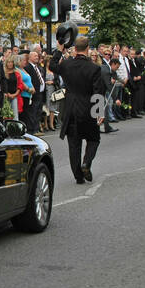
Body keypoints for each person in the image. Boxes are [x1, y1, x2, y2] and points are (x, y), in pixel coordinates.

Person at [49, 36, 107, 184]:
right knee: (94, 139)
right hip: (87, 109)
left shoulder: (67, 64)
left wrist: (59, 50)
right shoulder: (94, 68)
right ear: (87, 49)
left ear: (75, 49)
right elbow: (98, 91)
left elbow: (52, 66)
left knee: (74, 144)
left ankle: (78, 176)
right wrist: (99, 112)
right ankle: (86, 163)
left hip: (70, 109)